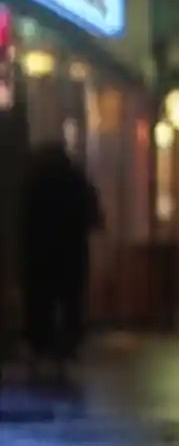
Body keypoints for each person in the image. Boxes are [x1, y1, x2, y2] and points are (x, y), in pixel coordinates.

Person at [21, 142, 102, 377]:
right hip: (71, 252)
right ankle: (67, 347)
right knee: (71, 301)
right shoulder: (76, 180)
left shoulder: (34, 181)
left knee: (40, 301)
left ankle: (40, 346)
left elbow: (24, 219)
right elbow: (92, 214)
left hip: (39, 254)